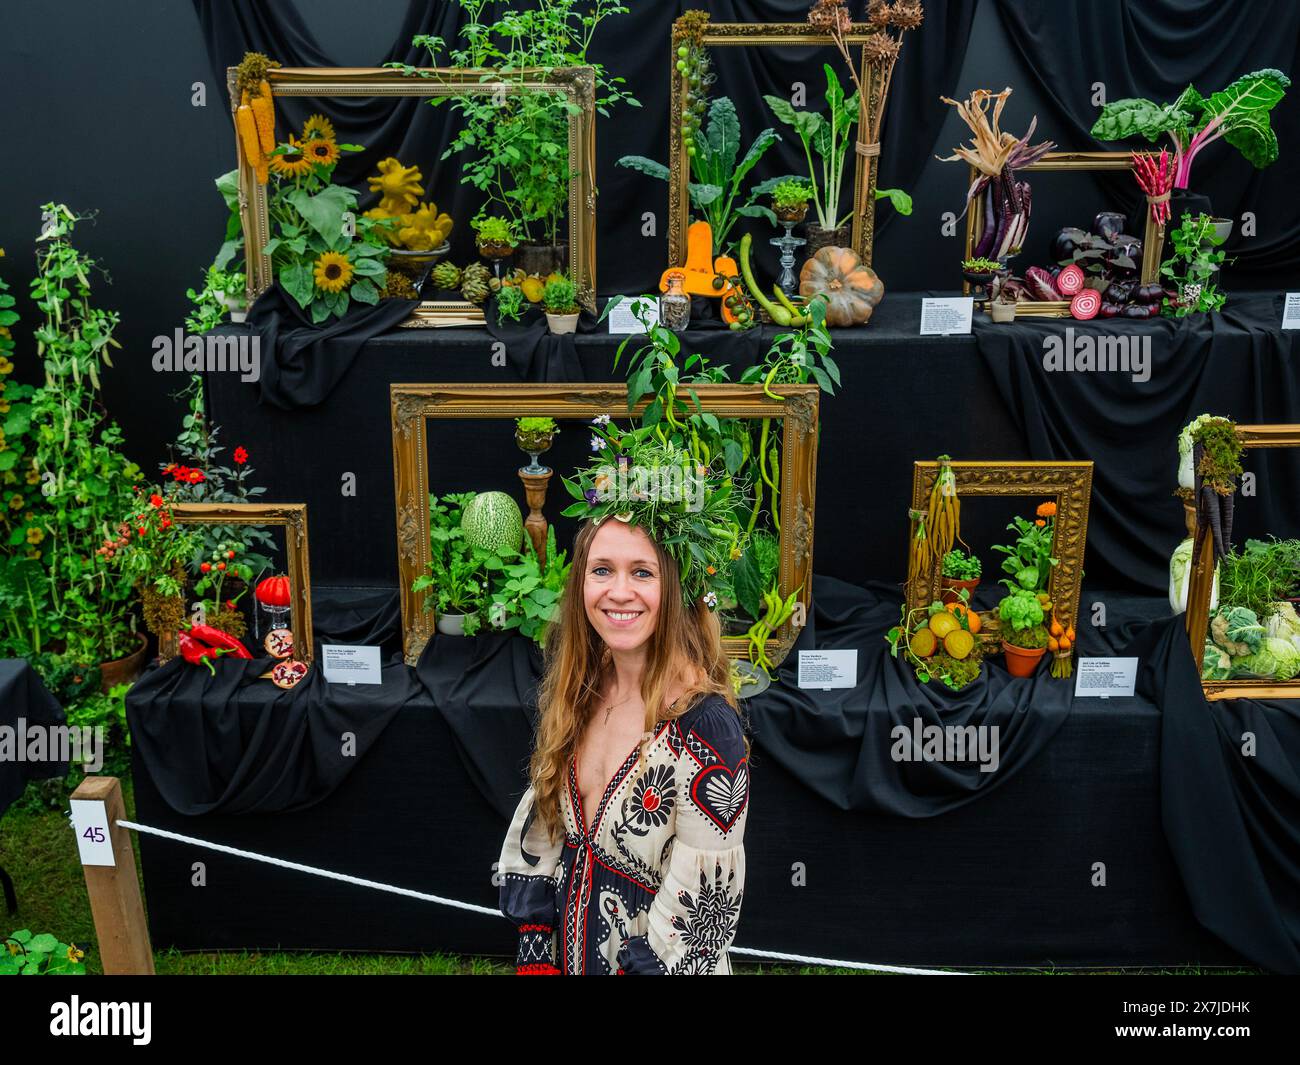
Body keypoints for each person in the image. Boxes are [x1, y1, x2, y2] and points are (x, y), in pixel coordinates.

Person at [497, 428, 751, 975]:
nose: (618, 592)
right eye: (601, 570)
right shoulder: (581, 690)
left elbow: (704, 906)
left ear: (677, 589)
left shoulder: (705, 729)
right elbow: (548, 829)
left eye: (642, 572)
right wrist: (539, 949)